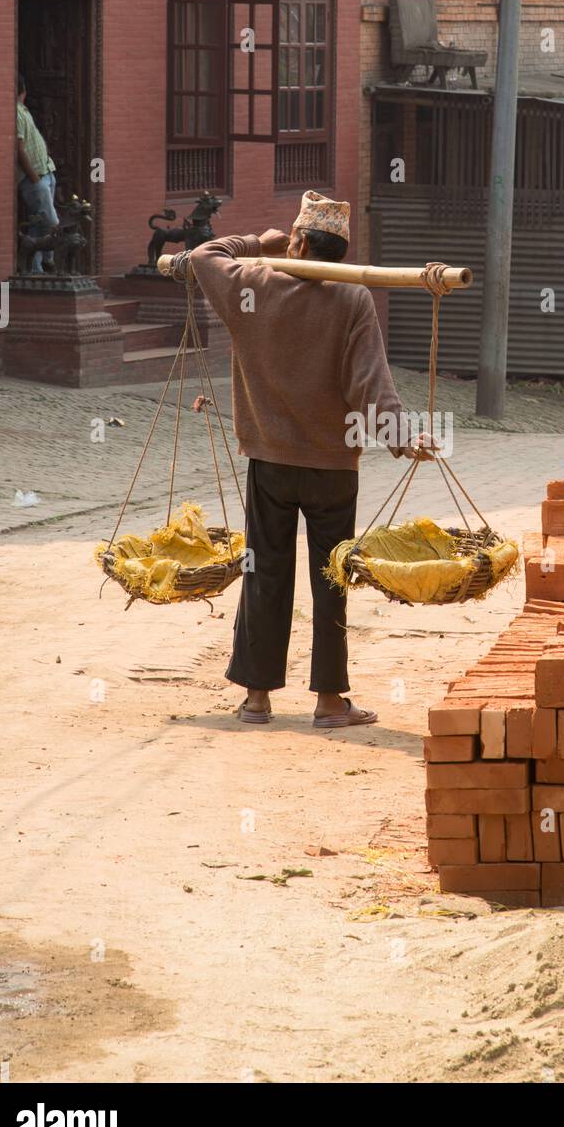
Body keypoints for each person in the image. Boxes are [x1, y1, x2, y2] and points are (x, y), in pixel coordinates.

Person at [187, 190, 432, 729]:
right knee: (332, 578)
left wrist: (257, 241)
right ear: (338, 254)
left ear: (296, 240)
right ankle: (327, 701)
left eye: (289, 239)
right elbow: (371, 384)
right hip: (332, 466)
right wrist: (403, 436)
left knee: (264, 573)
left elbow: (204, 256)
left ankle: (256, 698)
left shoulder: (249, 283)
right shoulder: (352, 300)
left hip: (270, 462)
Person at [17, 72, 58, 272]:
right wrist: (33, 177)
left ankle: (35, 269)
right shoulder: (16, 112)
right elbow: (18, 148)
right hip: (35, 178)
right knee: (51, 221)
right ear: (23, 90)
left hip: (46, 172)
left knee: (38, 222)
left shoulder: (23, 110)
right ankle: (49, 259)